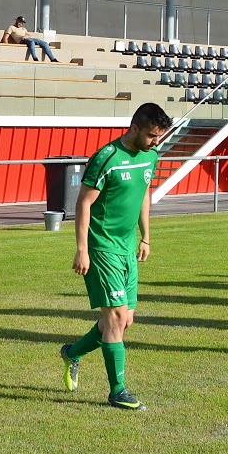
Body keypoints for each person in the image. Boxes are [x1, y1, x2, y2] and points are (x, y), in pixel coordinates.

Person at [58, 102, 172, 410]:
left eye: (159, 136)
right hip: (102, 248)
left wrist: (146, 236)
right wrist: (82, 249)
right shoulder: (107, 158)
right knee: (116, 317)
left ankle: (73, 352)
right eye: (151, 135)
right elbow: (83, 203)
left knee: (126, 321)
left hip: (127, 249)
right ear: (134, 128)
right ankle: (117, 391)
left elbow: (144, 195)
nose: (155, 142)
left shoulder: (151, 155)